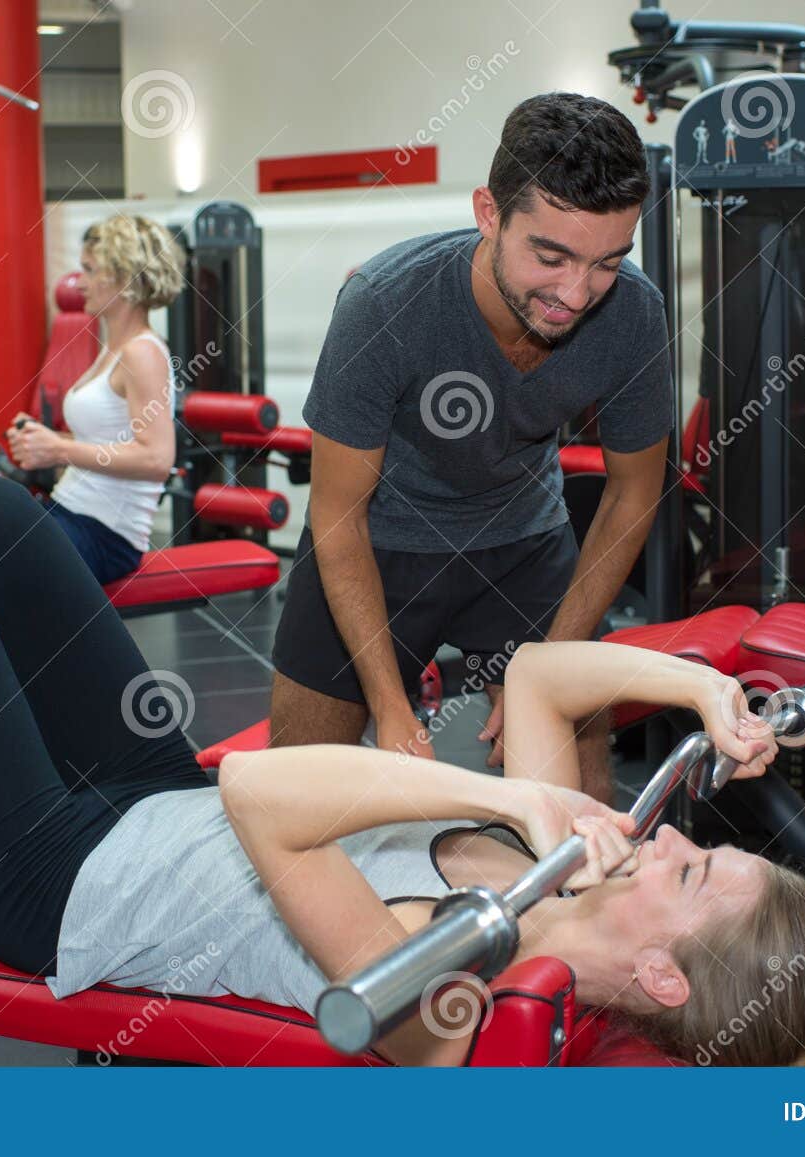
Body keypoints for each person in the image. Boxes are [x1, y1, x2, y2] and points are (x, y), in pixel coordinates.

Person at [0, 477, 805, 1067]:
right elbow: (538, 682)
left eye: (694, 867)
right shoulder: (569, 866)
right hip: (151, 799)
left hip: (55, 885)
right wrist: (697, 690)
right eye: (705, 839)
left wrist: (501, 792)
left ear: (665, 971)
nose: (673, 833)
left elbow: (267, 801)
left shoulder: (450, 1000)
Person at [269, 93, 678, 806]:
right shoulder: (385, 304)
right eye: (550, 256)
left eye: (607, 261)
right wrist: (393, 710)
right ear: (488, 213)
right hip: (377, 544)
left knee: (582, 795)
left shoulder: (633, 315)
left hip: (522, 542)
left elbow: (634, 493)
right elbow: (337, 516)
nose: (576, 293)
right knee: (299, 793)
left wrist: (544, 671)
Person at [0, 214, 185, 585]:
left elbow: (157, 458)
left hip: (100, 539)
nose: (80, 283)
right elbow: (105, 443)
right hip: (66, 512)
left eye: (91, 270)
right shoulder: (111, 347)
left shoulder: (142, 353)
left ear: (124, 277)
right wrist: (46, 439)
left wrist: (58, 451)